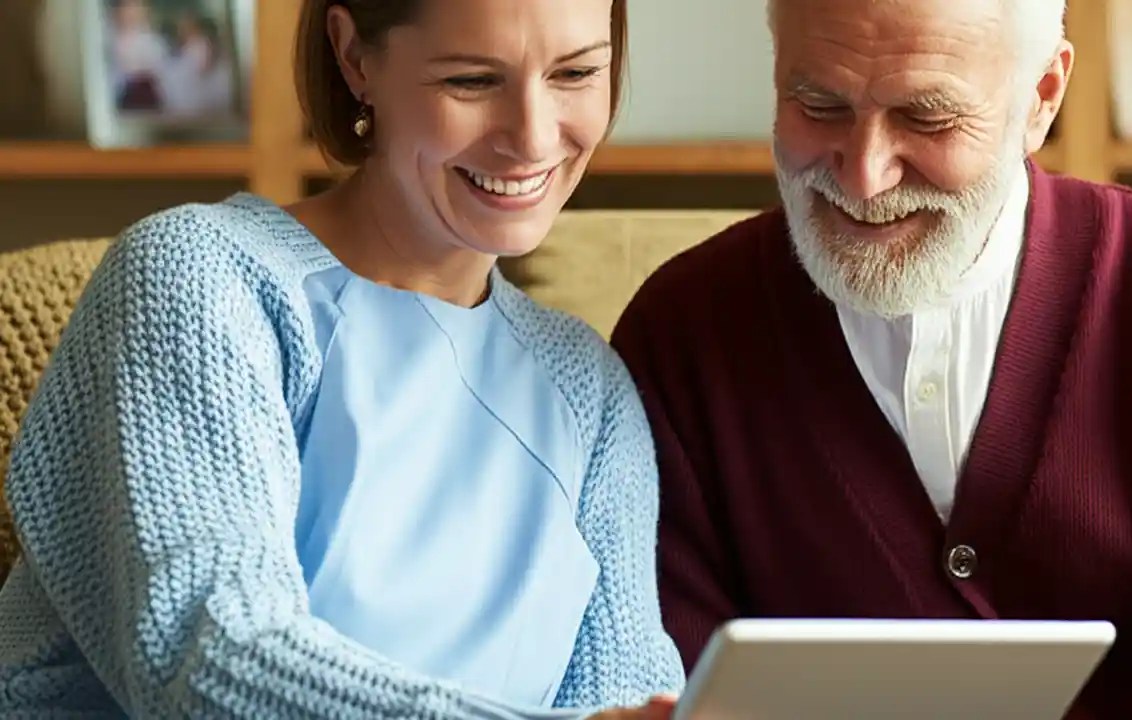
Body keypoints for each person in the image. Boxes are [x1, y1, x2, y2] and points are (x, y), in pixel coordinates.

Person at [0, 0, 684, 717]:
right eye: (473, 81)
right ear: (355, 56)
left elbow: (629, 694)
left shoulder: (591, 392)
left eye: (575, 72)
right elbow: (209, 661)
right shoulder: (200, 278)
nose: (534, 137)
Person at [610, 0, 1132, 717]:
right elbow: (670, 678)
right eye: (818, 105)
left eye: (926, 118)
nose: (865, 175)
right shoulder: (677, 339)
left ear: (1042, 98)